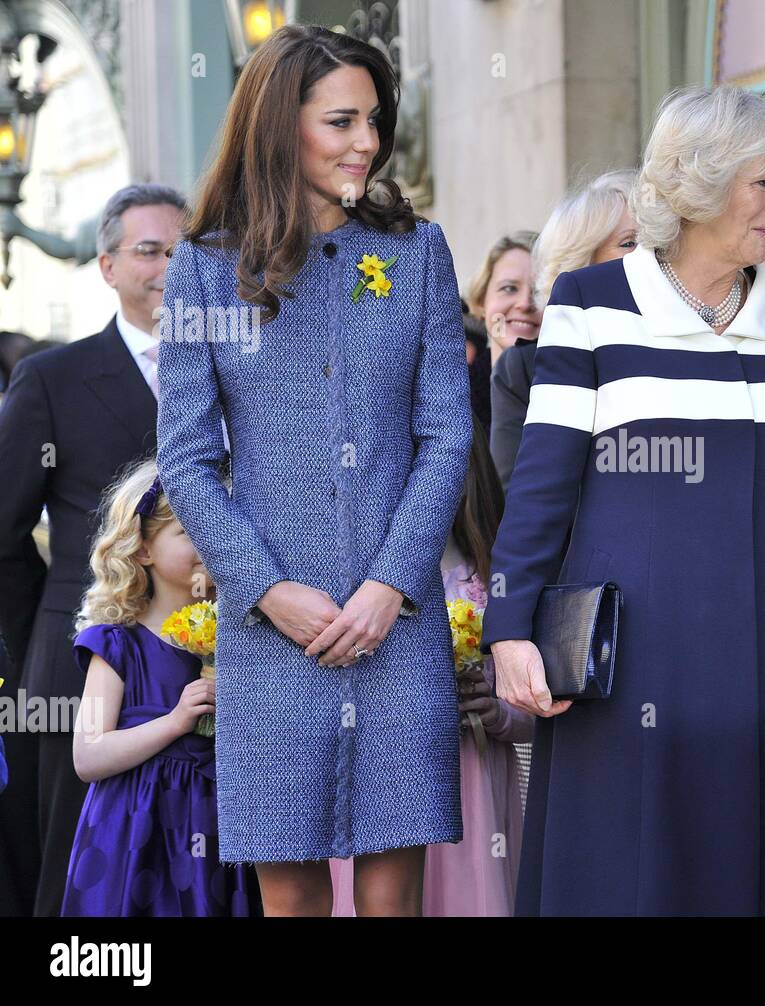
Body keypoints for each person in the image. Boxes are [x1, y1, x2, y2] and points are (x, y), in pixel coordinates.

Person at [483, 85, 765, 916]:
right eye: (764, 184)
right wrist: (509, 630)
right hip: (632, 657)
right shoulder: (591, 303)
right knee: (633, 880)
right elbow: (543, 484)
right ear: (697, 184)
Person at [155, 24, 472, 917]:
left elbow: (446, 435)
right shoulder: (206, 272)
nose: (367, 143)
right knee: (289, 897)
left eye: (374, 120)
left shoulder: (416, 256)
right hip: (271, 633)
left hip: (396, 626)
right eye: (341, 121)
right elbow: (186, 455)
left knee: (390, 895)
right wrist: (268, 590)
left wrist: (391, 586)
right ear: (278, 125)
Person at [0, 183, 186, 916]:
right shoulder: (51, 379)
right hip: (82, 658)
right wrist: (48, 625)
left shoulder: (243, 370)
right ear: (107, 266)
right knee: (80, 859)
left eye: (182, 251)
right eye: (149, 251)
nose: (168, 266)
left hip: (215, 651)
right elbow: (2, 532)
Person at [329, 419, 531, 916]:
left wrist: (495, 709)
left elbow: (532, 705)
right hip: (375, 773)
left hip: (471, 783)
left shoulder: (492, 573)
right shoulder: (342, 571)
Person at [61, 461, 259, 916]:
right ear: (143, 548)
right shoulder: (114, 643)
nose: (208, 539)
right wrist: (174, 722)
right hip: (135, 831)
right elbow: (88, 756)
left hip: (217, 824)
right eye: (190, 529)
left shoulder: (243, 639)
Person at [490, 171, 637, 488]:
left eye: (658, 243)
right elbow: (516, 496)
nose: (651, 257)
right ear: (581, 263)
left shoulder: (684, 348)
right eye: (630, 243)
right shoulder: (523, 370)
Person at [466, 232, 540, 368]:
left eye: (539, 291)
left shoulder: (585, 386)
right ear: (482, 299)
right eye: (509, 288)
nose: (525, 304)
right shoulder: (452, 387)